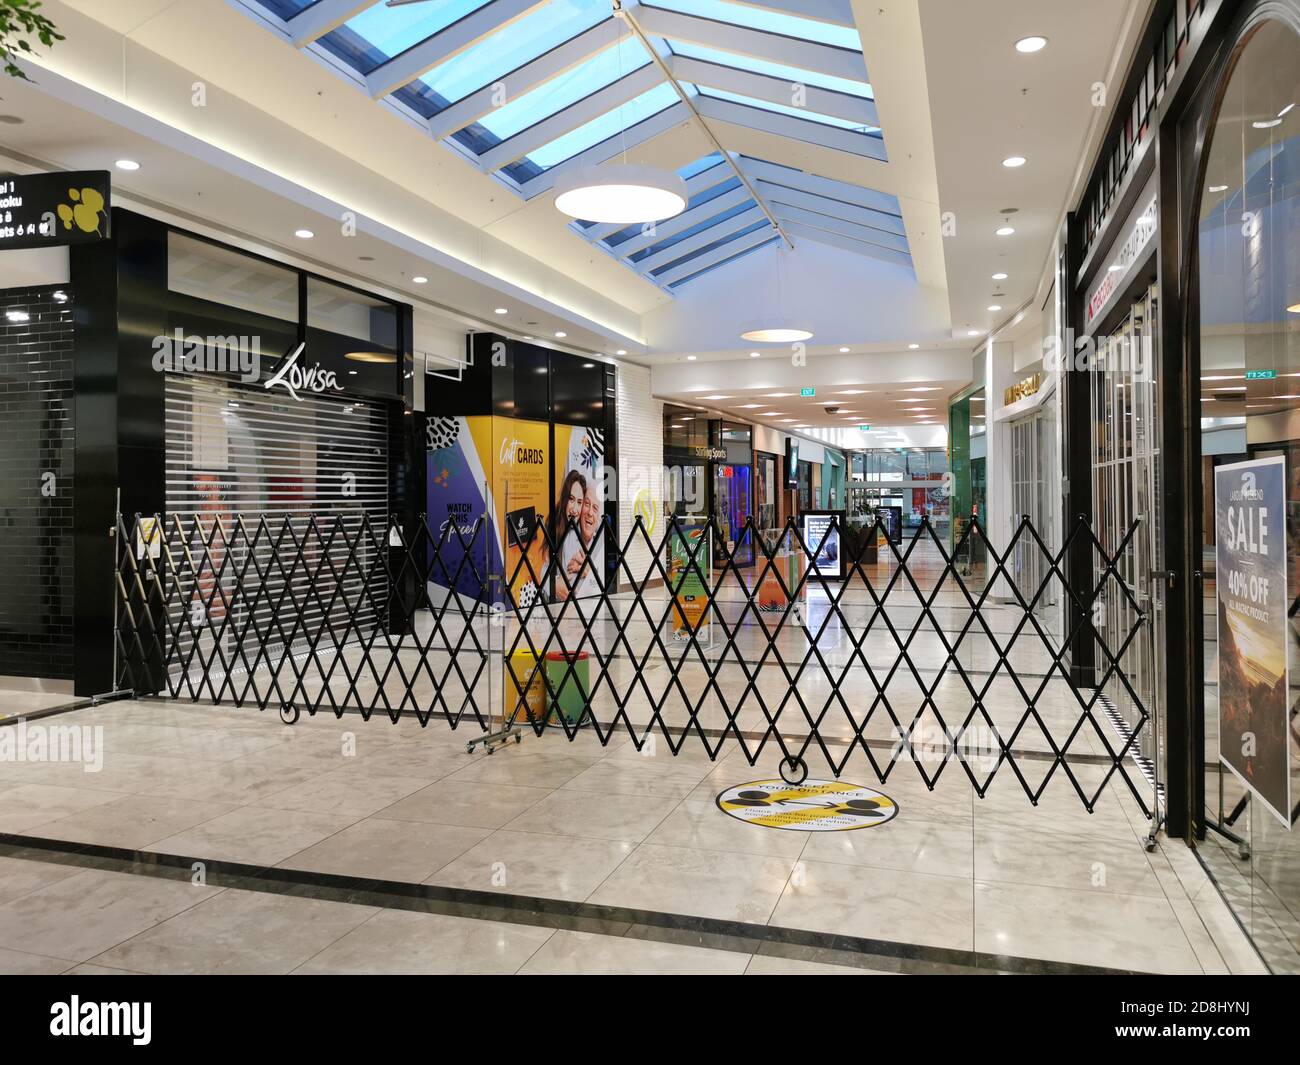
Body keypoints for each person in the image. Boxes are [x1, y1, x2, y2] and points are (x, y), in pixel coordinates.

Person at [552, 470, 587, 601]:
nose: (575, 509)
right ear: (565, 499)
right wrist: (554, 585)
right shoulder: (553, 528)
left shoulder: (586, 532)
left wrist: (587, 571)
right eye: (571, 500)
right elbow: (542, 569)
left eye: (579, 502)